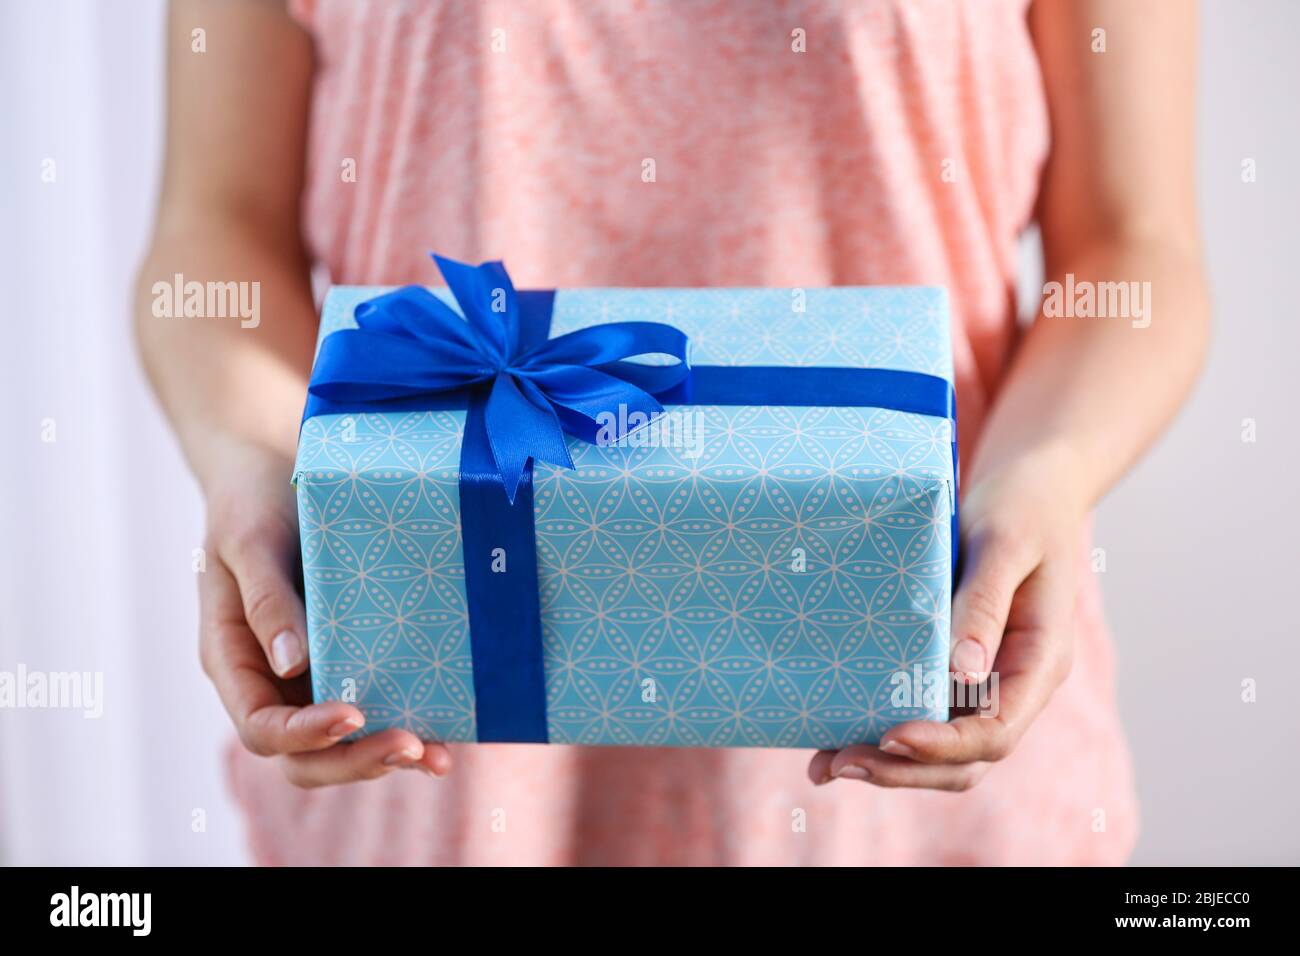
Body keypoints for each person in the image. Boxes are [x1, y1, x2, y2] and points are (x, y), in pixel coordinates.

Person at [135, 0, 1209, 865]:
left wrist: (1046, 476)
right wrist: (261, 461)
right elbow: (217, 227)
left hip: (922, 724)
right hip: (422, 739)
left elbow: (1131, 248)